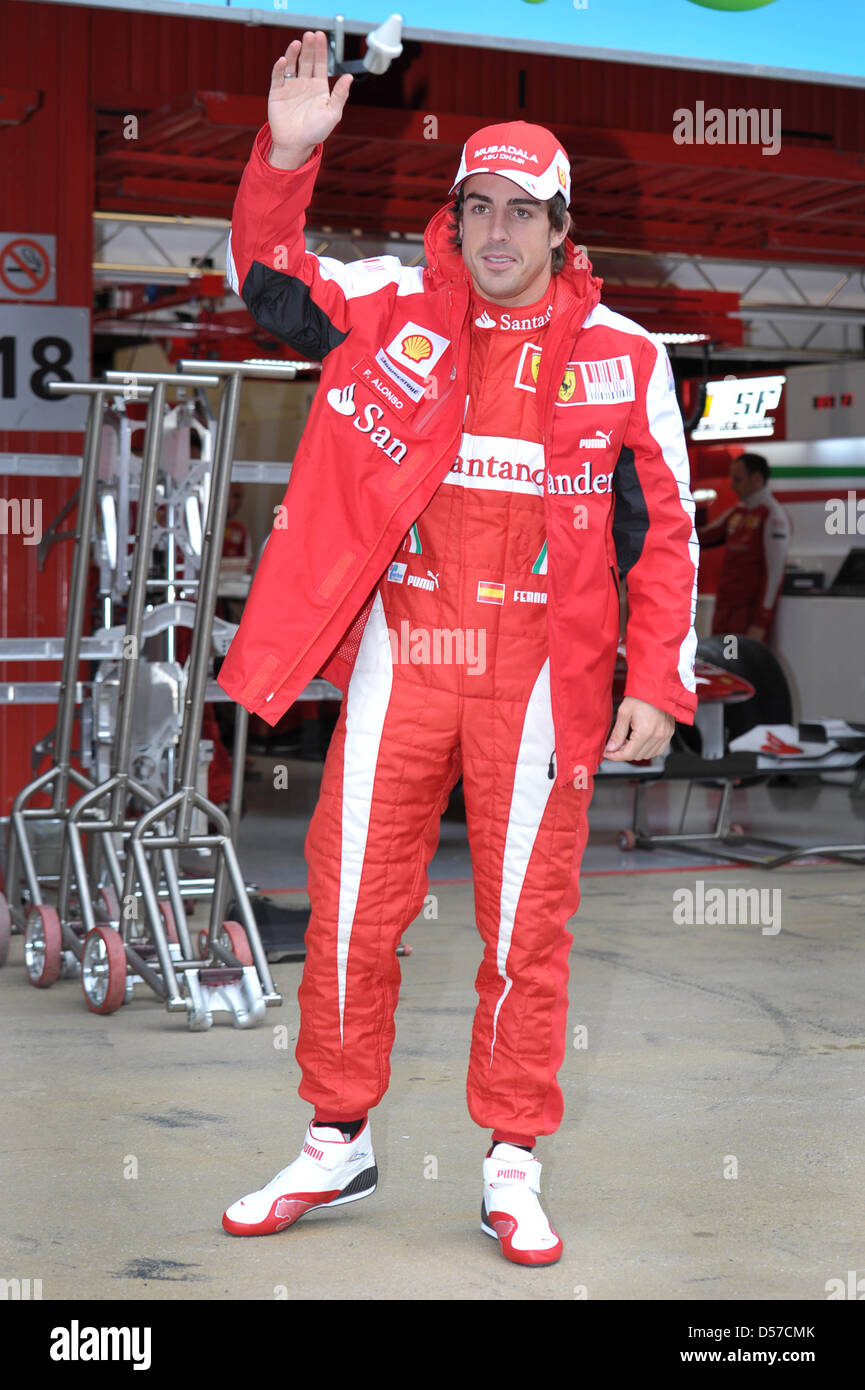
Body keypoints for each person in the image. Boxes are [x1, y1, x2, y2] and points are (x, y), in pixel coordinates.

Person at [216, 31, 698, 1265]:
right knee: (350, 908)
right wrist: (284, 153)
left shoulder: (628, 357)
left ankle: (512, 1160)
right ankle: (337, 1139)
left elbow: (663, 540)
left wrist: (658, 678)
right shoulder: (384, 306)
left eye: (518, 213)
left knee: (522, 928)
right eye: (473, 207)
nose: (493, 234)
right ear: (456, 214)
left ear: (559, 225)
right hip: (404, 652)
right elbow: (268, 275)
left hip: (543, 678)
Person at [698, 452, 791, 642]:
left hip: (746, 617)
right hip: (724, 611)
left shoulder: (773, 516)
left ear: (756, 479)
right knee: (720, 666)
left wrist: (760, 623)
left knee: (739, 668)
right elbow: (701, 537)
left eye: (738, 480)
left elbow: (774, 575)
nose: (732, 485)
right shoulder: (737, 512)